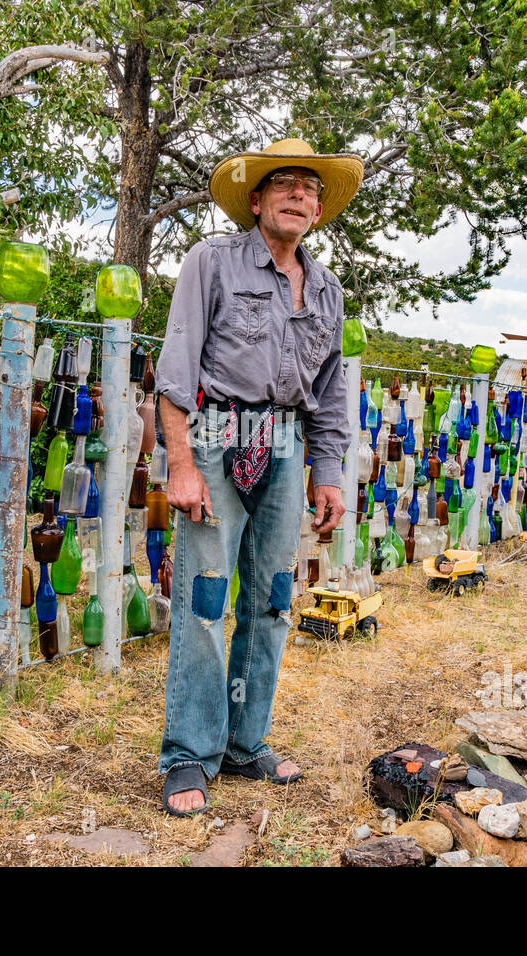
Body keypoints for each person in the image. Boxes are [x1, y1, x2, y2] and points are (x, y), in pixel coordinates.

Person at [154, 138, 362, 816]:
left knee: (272, 599)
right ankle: (189, 754)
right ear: (256, 200)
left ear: (319, 209)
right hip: (215, 438)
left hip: (285, 445)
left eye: (310, 188)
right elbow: (176, 370)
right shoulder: (211, 262)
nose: (299, 195)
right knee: (207, 597)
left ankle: (246, 743)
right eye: (285, 185)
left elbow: (330, 393)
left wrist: (327, 473)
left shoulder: (327, 290)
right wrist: (180, 463)